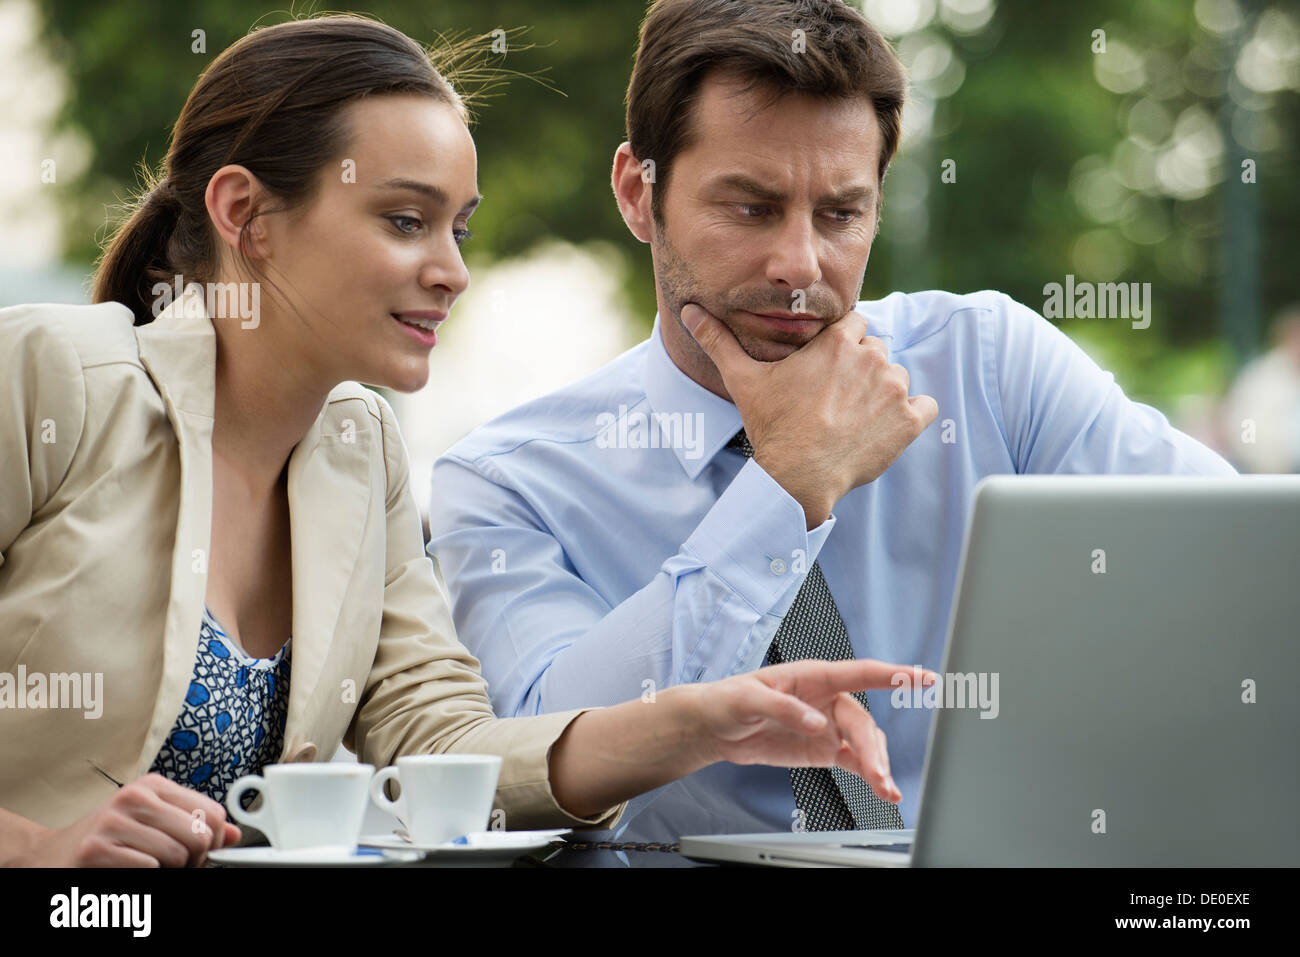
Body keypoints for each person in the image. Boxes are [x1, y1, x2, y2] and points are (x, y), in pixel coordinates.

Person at [0, 14, 935, 868]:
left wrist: (691, 723)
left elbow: (440, 745)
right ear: (245, 213)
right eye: (405, 220)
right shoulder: (53, 376)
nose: (451, 272)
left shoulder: (359, 457)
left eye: (459, 227)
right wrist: (43, 847)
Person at [426, 0, 1240, 865]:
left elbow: (1235, 573)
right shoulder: (510, 480)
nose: (800, 265)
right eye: (751, 208)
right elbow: (550, 760)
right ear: (639, 192)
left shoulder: (989, 369)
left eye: (842, 214)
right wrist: (783, 490)